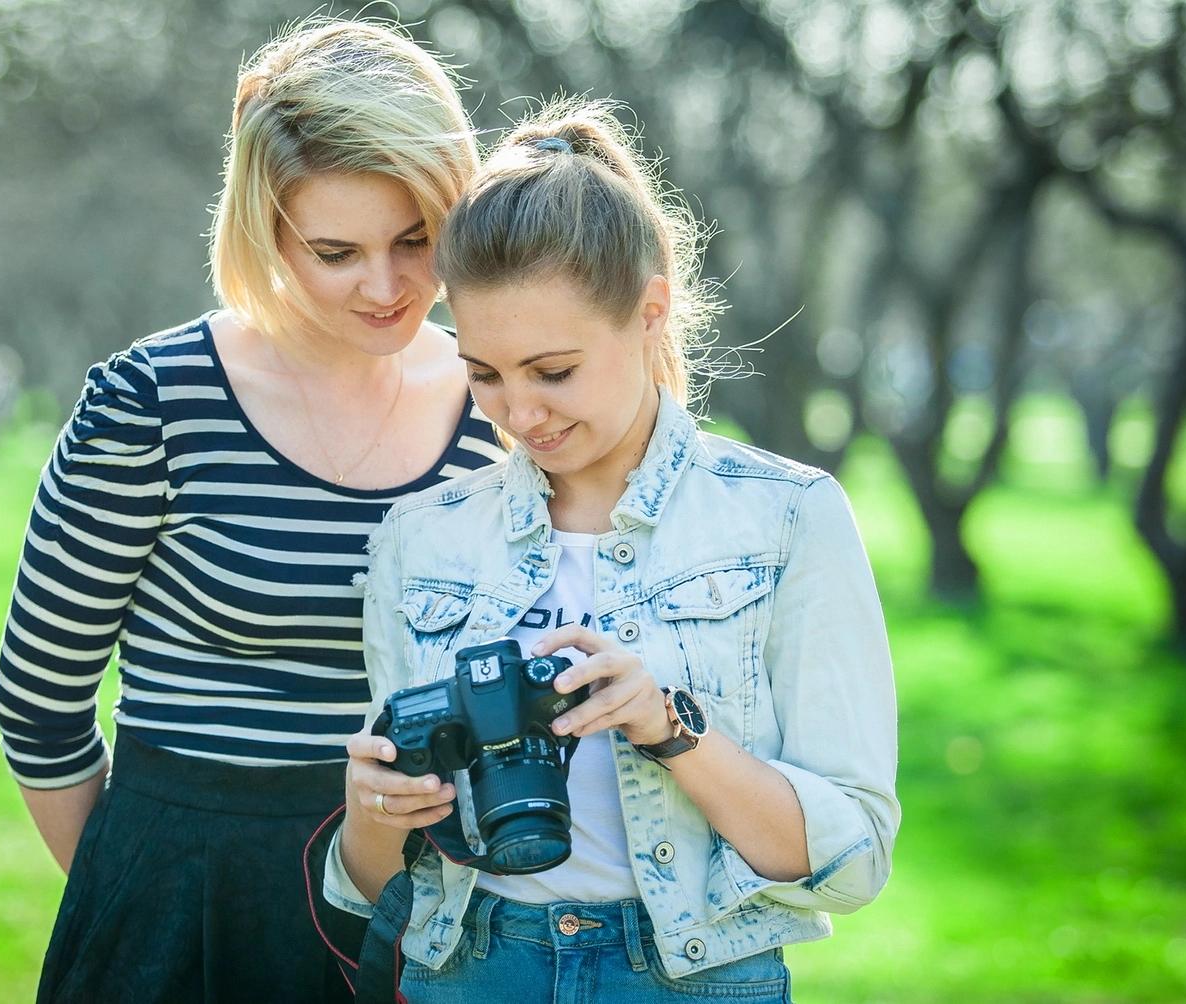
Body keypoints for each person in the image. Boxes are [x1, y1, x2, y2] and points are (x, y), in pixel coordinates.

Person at [325, 100, 901, 1002]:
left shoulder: (789, 519)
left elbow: (853, 860)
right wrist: (374, 813)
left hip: (691, 979)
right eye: (484, 374)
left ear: (650, 312)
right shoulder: (422, 540)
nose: (520, 414)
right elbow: (375, 886)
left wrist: (672, 728)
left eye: (554, 371)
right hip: (471, 974)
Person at [0, 18, 503, 1003]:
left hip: (437, 910)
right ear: (265, 230)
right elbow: (40, 702)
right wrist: (134, 899)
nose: (387, 286)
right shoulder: (153, 402)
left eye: (416, 238)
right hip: (186, 895)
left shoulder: (501, 403)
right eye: (337, 250)